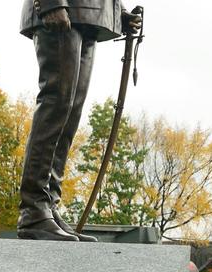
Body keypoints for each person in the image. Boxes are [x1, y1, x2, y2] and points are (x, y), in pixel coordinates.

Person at [17, 0, 142, 241]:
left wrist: (119, 13)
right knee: (57, 103)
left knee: (70, 112)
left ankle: (48, 206)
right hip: (62, 10)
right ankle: (33, 210)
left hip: (89, 16)